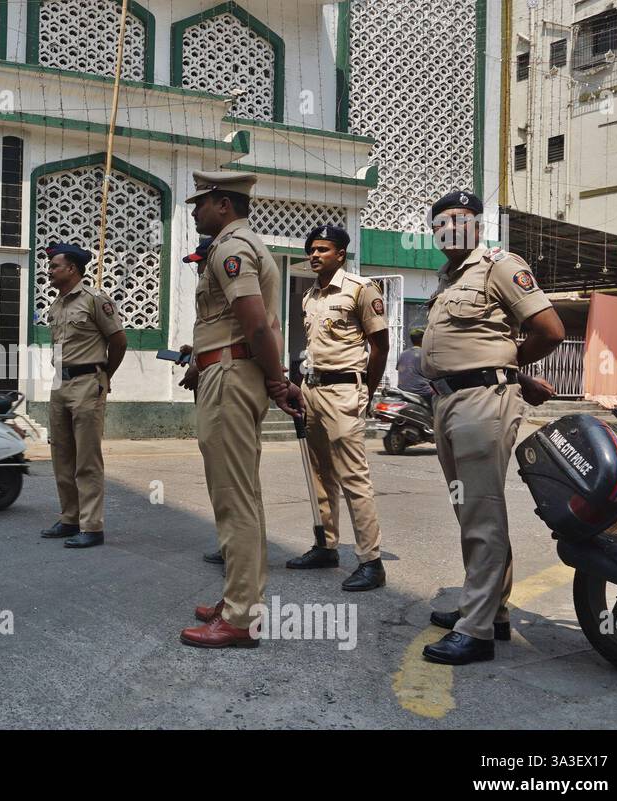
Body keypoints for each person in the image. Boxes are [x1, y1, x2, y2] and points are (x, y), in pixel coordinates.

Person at [419, 190, 563, 665]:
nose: (450, 229)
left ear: (477, 225)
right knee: (470, 508)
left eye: (459, 220)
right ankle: (492, 609)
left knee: (480, 509)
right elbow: (482, 340)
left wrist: (508, 369)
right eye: (441, 223)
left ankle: (476, 630)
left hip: (482, 401)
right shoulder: (447, 279)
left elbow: (550, 330)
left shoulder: (501, 266)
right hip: (449, 401)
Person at [175, 171, 303, 649]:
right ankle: (241, 600)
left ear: (223, 205)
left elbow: (257, 326)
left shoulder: (231, 248)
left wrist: (278, 382)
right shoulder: (239, 244)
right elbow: (235, 325)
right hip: (223, 371)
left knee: (233, 499)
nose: (194, 211)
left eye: (200, 203)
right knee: (242, 496)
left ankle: (240, 617)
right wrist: (203, 361)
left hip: (232, 378)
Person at [284, 224, 391, 592]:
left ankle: (371, 561)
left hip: (345, 391)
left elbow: (380, 346)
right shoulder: (310, 296)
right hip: (311, 388)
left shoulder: (361, 290)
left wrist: (366, 393)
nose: (314, 255)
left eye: (323, 249)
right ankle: (326, 545)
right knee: (319, 473)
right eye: (312, 249)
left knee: (353, 477)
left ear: (340, 254)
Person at [38, 243, 126, 549]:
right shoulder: (56, 306)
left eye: (54, 266)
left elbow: (118, 341)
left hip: (88, 382)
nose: (49, 271)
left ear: (72, 268)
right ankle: (69, 519)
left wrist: (105, 376)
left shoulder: (94, 300)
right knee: (61, 456)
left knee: (87, 459)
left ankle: (92, 526)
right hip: (60, 385)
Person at [396, 326, 432, 405]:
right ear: (423, 339)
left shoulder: (403, 354)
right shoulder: (425, 354)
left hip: (402, 391)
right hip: (422, 392)